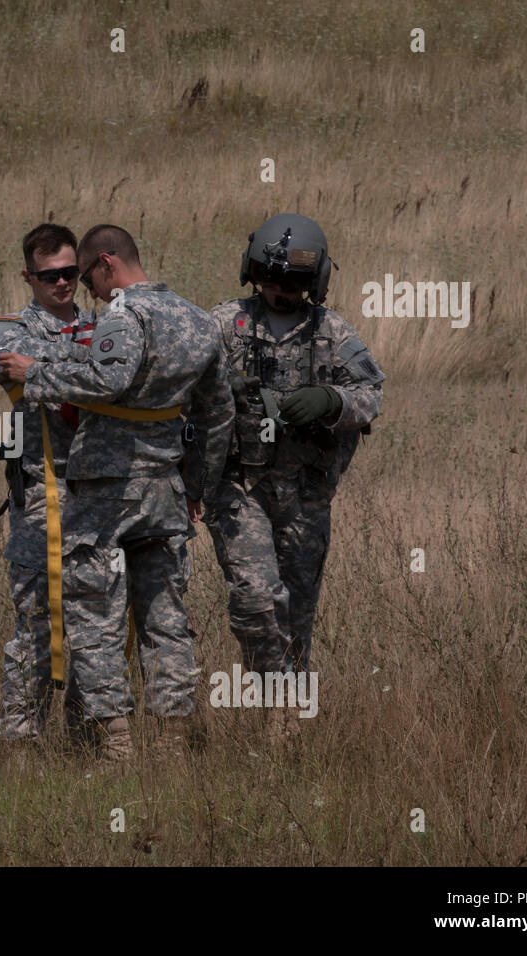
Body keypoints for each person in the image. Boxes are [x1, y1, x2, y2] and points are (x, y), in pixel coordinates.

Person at [0, 224, 234, 761]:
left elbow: (106, 381)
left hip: (107, 491)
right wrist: (197, 484)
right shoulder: (200, 320)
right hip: (166, 492)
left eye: (86, 278)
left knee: (95, 616)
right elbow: (218, 415)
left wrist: (36, 373)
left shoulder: (125, 318)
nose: (87, 293)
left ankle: (117, 746)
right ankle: (173, 744)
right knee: (166, 619)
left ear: (106, 264)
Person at [203, 213, 384, 731]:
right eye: (272, 279)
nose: (281, 290)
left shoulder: (332, 331)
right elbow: (187, 387)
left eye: (295, 282)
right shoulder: (225, 324)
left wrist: (330, 400)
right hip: (241, 489)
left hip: (306, 495)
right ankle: (273, 698)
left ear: (315, 283)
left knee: (296, 613)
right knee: (257, 598)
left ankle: (284, 723)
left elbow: (371, 395)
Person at [0, 223, 95, 743]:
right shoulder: (7, 330)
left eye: (71, 272)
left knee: (96, 625)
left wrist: (47, 369)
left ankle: (87, 736)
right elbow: (7, 365)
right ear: (29, 276)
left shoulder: (106, 324)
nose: (63, 284)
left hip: (97, 496)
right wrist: (87, 366)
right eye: (50, 276)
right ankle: (22, 739)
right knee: (35, 624)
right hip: (40, 499)